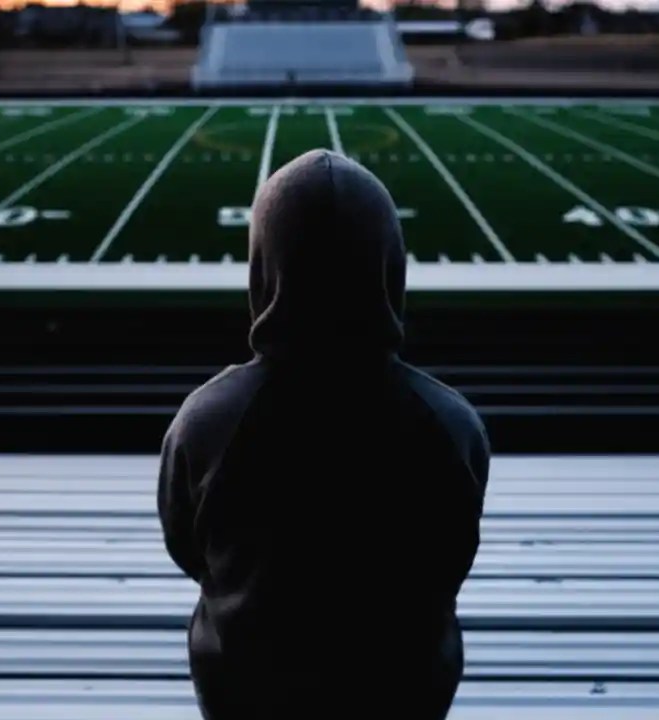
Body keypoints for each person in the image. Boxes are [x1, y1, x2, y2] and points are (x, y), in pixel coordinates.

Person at [156, 149, 491, 720]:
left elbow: (186, 547)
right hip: (402, 694)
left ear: (265, 267)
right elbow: (453, 555)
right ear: (389, 266)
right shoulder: (447, 419)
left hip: (247, 694)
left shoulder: (208, 417)